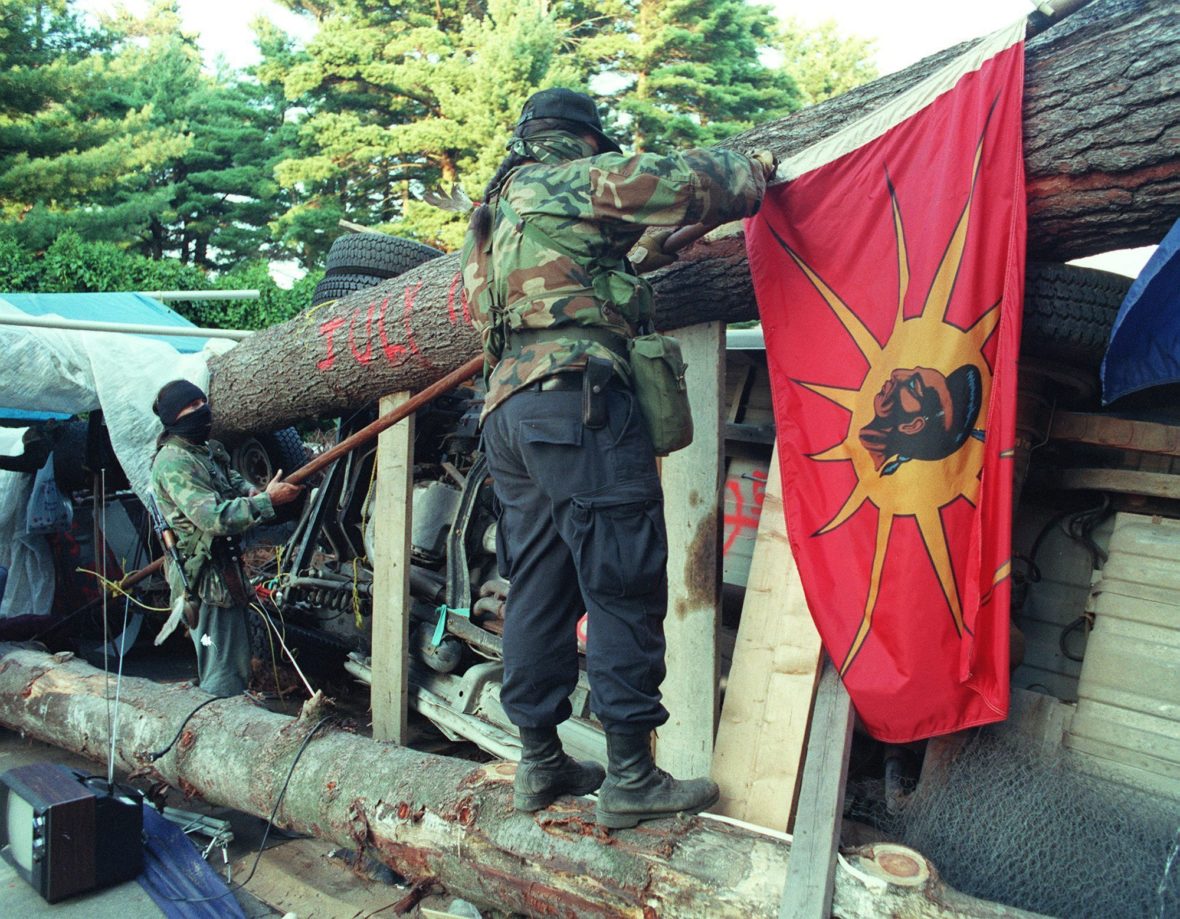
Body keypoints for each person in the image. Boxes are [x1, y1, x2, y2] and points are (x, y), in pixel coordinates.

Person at [460, 87, 773, 828]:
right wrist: (753, 169)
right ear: (583, 142)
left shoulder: (491, 222)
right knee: (623, 580)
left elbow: (581, 268)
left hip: (510, 415)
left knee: (539, 587)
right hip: (580, 405)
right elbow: (684, 180)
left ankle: (540, 760)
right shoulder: (567, 178)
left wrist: (649, 253)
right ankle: (631, 776)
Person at [149, 380, 301, 696]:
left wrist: (253, 492)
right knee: (221, 669)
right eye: (192, 407)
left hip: (226, 573)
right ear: (174, 417)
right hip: (205, 582)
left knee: (236, 662)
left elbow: (230, 480)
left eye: (202, 402)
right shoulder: (174, 461)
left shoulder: (206, 450)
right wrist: (268, 501)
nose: (202, 410)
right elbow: (213, 518)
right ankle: (218, 715)